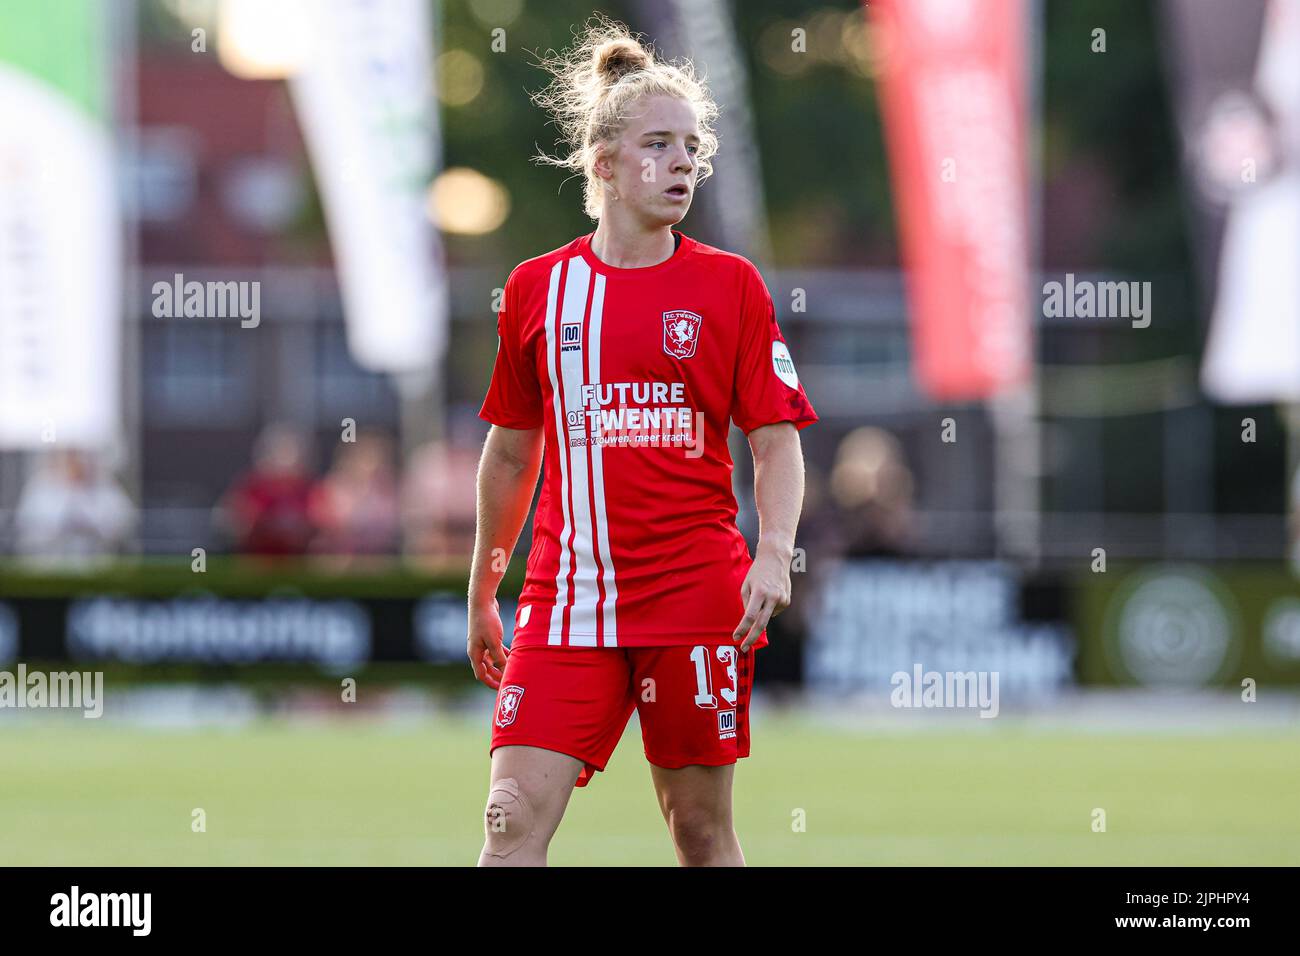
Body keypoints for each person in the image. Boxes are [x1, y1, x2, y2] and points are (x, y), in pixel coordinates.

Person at [466, 17, 818, 867]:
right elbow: (513, 451)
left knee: (699, 832)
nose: (682, 164)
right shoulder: (536, 290)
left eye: (692, 147)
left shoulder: (730, 286)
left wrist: (774, 554)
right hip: (564, 601)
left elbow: (776, 441)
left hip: (698, 597)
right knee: (508, 821)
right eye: (658, 145)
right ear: (604, 166)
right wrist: (484, 583)